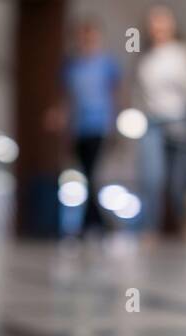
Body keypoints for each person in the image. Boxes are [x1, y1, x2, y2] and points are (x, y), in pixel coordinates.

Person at [136, 4, 186, 235]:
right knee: (152, 177)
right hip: (152, 123)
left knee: (181, 180)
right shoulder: (145, 57)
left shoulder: (184, 53)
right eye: (154, 22)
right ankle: (150, 227)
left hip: (180, 121)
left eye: (162, 21)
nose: (158, 27)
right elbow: (138, 93)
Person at [62, 17, 121, 236]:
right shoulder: (71, 66)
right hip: (79, 128)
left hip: (100, 126)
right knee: (85, 174)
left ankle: (89, 223)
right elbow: (67, 99)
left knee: (92, 173)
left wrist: (116, 125)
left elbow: (115, 95)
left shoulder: (107, 64)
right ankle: (98, 221)